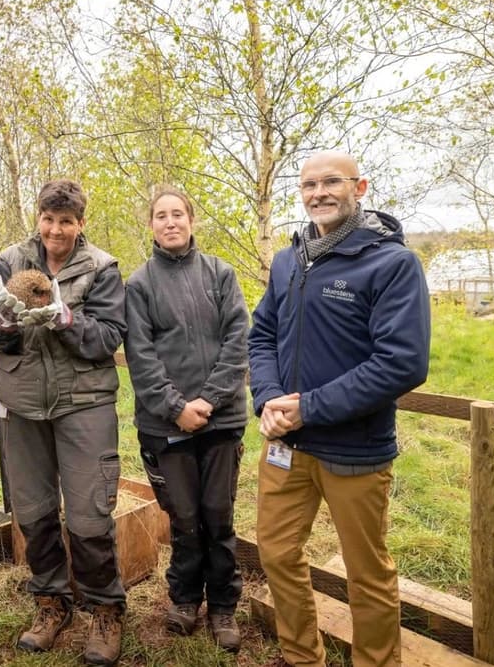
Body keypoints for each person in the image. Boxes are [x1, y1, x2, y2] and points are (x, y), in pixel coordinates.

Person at [248, 151, 431, 667]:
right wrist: (267, 399)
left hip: (355, 449)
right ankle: (302, 656)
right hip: (286, 444)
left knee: (366, 573)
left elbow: (402, 363)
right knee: (278, 554)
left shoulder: (391, 263)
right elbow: (262, 335)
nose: (319, 193)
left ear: (361, 187)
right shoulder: (288, 260)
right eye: (309, 185)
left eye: (332, 182)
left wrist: (310, 407)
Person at [0, 179, 127, 666]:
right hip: (21, 404)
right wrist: (3, 321)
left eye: (66, 221)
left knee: (88, 512)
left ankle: (105, 610)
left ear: (81, 223)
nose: (55, 229)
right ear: (38, 217)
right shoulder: (10, 261)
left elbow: (107, 337)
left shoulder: (102, 268)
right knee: (35, 510)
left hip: (84, 403)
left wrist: (65, 319)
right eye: (48, 219)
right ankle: (51, 603)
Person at [123, 187, 249, 652]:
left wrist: (209, 402)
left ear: (191, 220)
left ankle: (222, 606)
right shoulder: (139, 285)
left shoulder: (220, 273)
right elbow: (141, 355)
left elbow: (238, 340)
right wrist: (177, 407)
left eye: (178, 213)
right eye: (161, 216)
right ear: (151, 225)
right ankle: (183, 599)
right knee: (185, 517)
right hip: (165, 425)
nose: (170, 222)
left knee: (218, 515)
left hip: (221, 420)